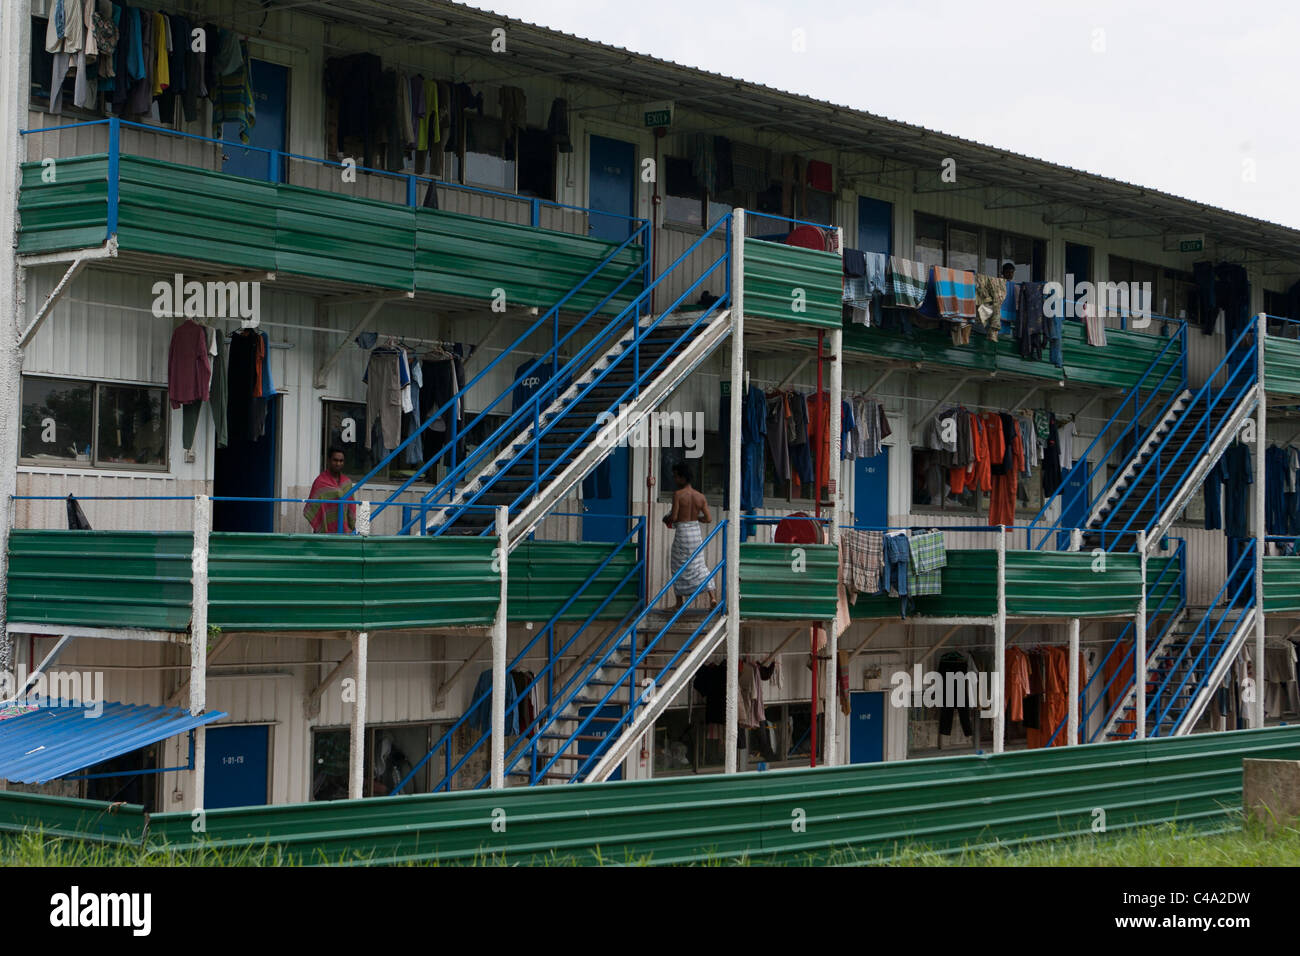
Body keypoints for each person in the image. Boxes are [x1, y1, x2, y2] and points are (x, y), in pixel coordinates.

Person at [663, 461, 717, 610]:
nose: (674, 479)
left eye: (675, 476)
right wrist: (696, 518)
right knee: (699, 564)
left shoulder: (678, 495)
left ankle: (679, 602)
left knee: (678, 565)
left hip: (683, 533)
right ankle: (712, 597)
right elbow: (708, 519)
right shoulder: (700, 496)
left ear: (682, 477)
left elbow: (674, 517)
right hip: (695, 533)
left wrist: (665, 518)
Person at [304, 445, 357, 533]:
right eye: (335, 460)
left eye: (341, 461)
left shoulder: (347, 483)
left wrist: (352, 526)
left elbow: (351, 507)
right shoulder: (320, 482)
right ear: (329, 460)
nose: (338, 463)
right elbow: (312, 507)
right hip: (324, 532)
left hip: (343, 530)